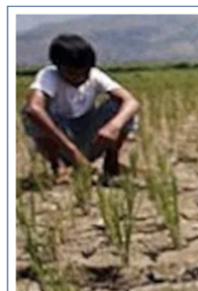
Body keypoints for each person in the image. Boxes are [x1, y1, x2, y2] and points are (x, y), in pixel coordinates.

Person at [22, 34, 140, 183]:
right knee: (30, 112)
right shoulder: (48, 76)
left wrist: (112, 127)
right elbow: (33, 108)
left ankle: (111, 163)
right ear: (58, 67)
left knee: (120, 108)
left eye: (84, 73)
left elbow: (131, 102)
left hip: (91, 139)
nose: (79, 78)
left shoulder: (95, 76)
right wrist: (71, 151)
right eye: (72, 73)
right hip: (60, 143)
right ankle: (58, 167)